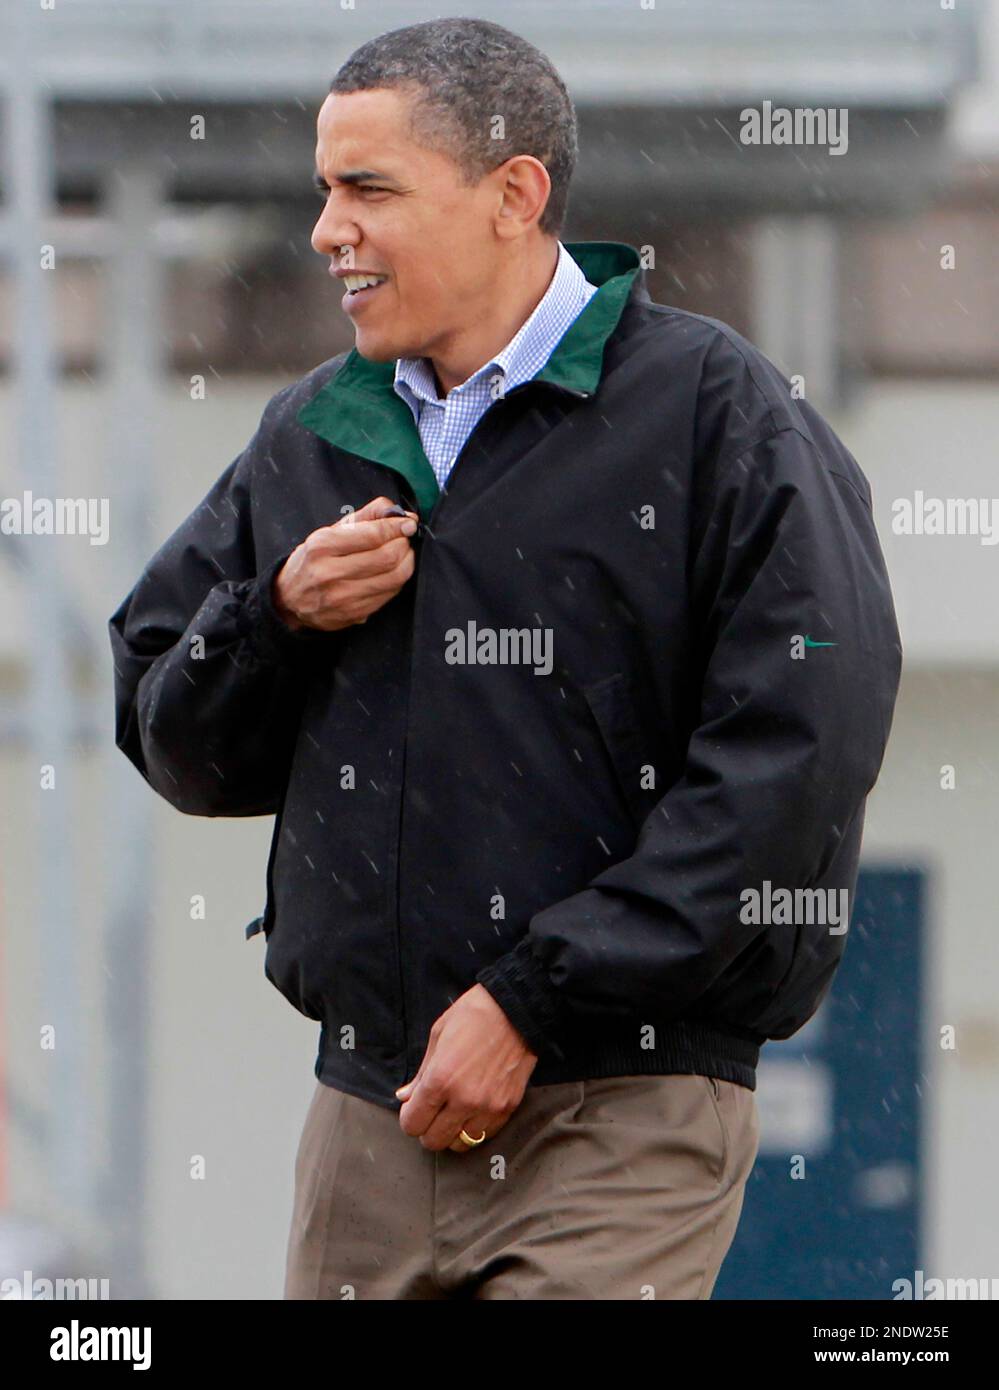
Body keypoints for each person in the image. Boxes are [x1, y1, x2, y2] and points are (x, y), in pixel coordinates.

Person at [108, 18, 902, 1300]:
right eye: (324, 188)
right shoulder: (309, 434)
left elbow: (797, 756)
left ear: (513, 197)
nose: (327, 229)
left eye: (368, 188)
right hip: (371, 1114)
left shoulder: (720, 415)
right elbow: (173, 739)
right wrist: (274, 617)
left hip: (625, 1102)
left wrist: (533, 998)